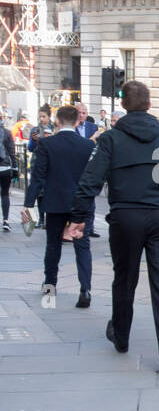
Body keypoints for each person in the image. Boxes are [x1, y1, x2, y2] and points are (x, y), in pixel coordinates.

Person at [67, 80, 159, 373]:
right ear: (150, 104)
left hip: (126, 217)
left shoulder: (110, 139)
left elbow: (90, 181)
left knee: (124, 278)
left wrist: (77, 217)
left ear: (123, 105)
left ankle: (122, 338)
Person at [21, 105, 95, 306]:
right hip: (81, 203)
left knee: (53, 245)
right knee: (82, 246)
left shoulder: (46, 144)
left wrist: (28, 204)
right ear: (78, 121)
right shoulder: (87, 146)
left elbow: (38, 177)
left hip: (55, 202)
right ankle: (85, 290)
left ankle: (50, 286)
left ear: (57, 121)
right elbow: (93, 177)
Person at [0, 117, 14, 233]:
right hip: (5, 167)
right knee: (5, 194)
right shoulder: (7, 133)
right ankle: (6, 221)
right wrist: (15, 168)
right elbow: (12, 151)